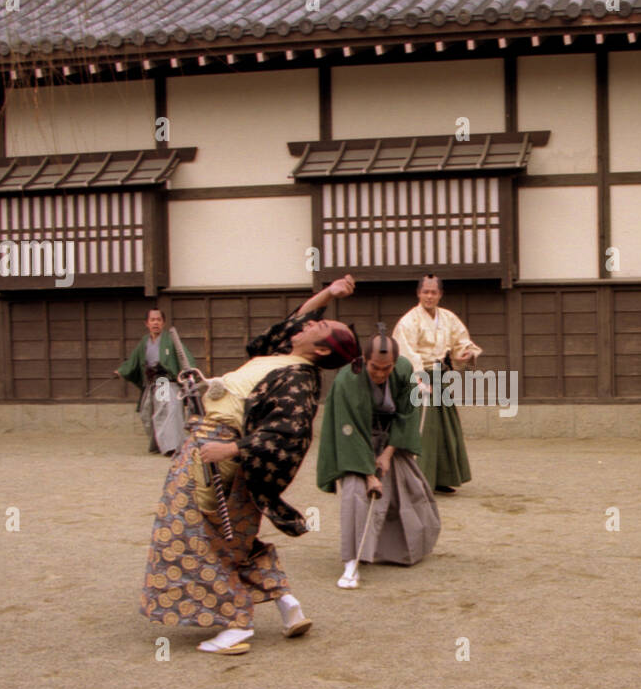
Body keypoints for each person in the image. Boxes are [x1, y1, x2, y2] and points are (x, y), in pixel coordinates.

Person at [138, 275, 361, 655]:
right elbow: (291, 324)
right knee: (234, 543)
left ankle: (236, 624)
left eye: (319, 326)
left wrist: (232, 451)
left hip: (225, 461)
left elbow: (288, 434)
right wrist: (328, 294)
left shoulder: (298, 379)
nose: (307, 323)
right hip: (210, 445)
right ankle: (286, 602)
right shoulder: (285, 356)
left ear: (321, 351)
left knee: (195, 539)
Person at [316, 326, 441, 589]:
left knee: (407, 490)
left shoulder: (405, 369)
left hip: (390, 439)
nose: (381, 374)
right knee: (356, 493)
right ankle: (352, 560)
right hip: (355, 439)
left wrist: (387, 454)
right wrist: (369, 474)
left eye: (387, 368)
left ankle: (398, 550)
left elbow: (407, 414)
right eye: (375, 367)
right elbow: (347, 429)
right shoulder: (347, 379)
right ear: (363, 360)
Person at [392, 274, 482, 493]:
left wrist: (464, 354)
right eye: (426, 292)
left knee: (445, 427)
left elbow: (462, 341)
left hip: (440, 375)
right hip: (419, 377)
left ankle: (442, 476)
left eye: (434, 292)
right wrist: (420, 377)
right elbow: (406, 352)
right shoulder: (409, 320)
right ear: (418, 293)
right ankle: (418, 478)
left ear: (440, 294)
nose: (429, 296)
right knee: (425, 426)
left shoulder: (448, 318)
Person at [116, 309, 189, 455]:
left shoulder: (170, 339)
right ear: (147, 323)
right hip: (152, 383)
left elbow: (184, 356)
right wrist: (121, 370)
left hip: (165, 380)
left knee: (167, 412)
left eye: (158, 320)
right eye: (152, 320)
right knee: (148, 413)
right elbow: (134, 361)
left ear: (163, 323)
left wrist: (188, 371)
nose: (155, 323)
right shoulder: (144, 341)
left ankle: (171, 446)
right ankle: (161, 444)